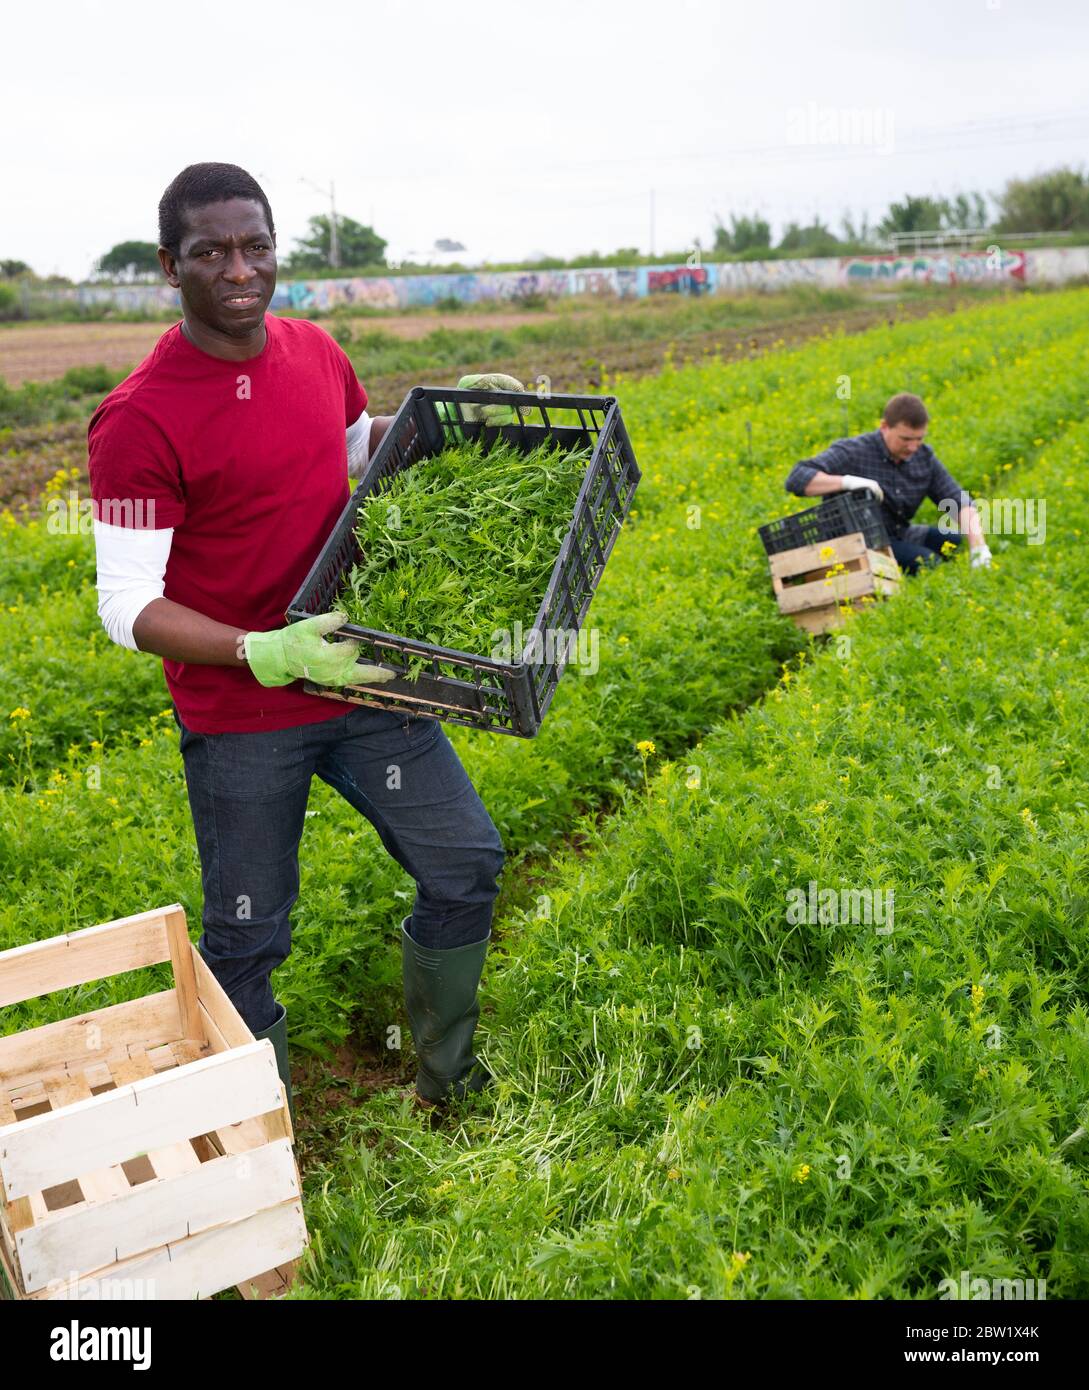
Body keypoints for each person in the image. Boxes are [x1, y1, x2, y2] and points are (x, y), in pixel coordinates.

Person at [87, 162, 520, 1121]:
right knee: (249, 936)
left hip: (360, 676)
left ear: (276, 249)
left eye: (254, 246)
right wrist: (261, 650)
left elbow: (350, 446)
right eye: (211, 252)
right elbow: (126, 604)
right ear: (171, 266)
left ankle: (449, 1080)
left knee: (465, 865)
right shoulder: (136, 419)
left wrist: (435, 418)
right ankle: (262, 1141)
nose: (238, 269)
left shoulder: (316, 350)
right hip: (245, 714)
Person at [783, 392, 992, 574]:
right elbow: (797, 478)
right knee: (928, 562)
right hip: (857, 540)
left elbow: (958, 501)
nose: (913, 447)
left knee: (952, 541)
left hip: (896, 532)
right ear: (884, 427)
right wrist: (847, 482)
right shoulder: (853, 451)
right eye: (905, 439)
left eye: (919, 439)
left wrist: (979, 548)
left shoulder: (923, 458)